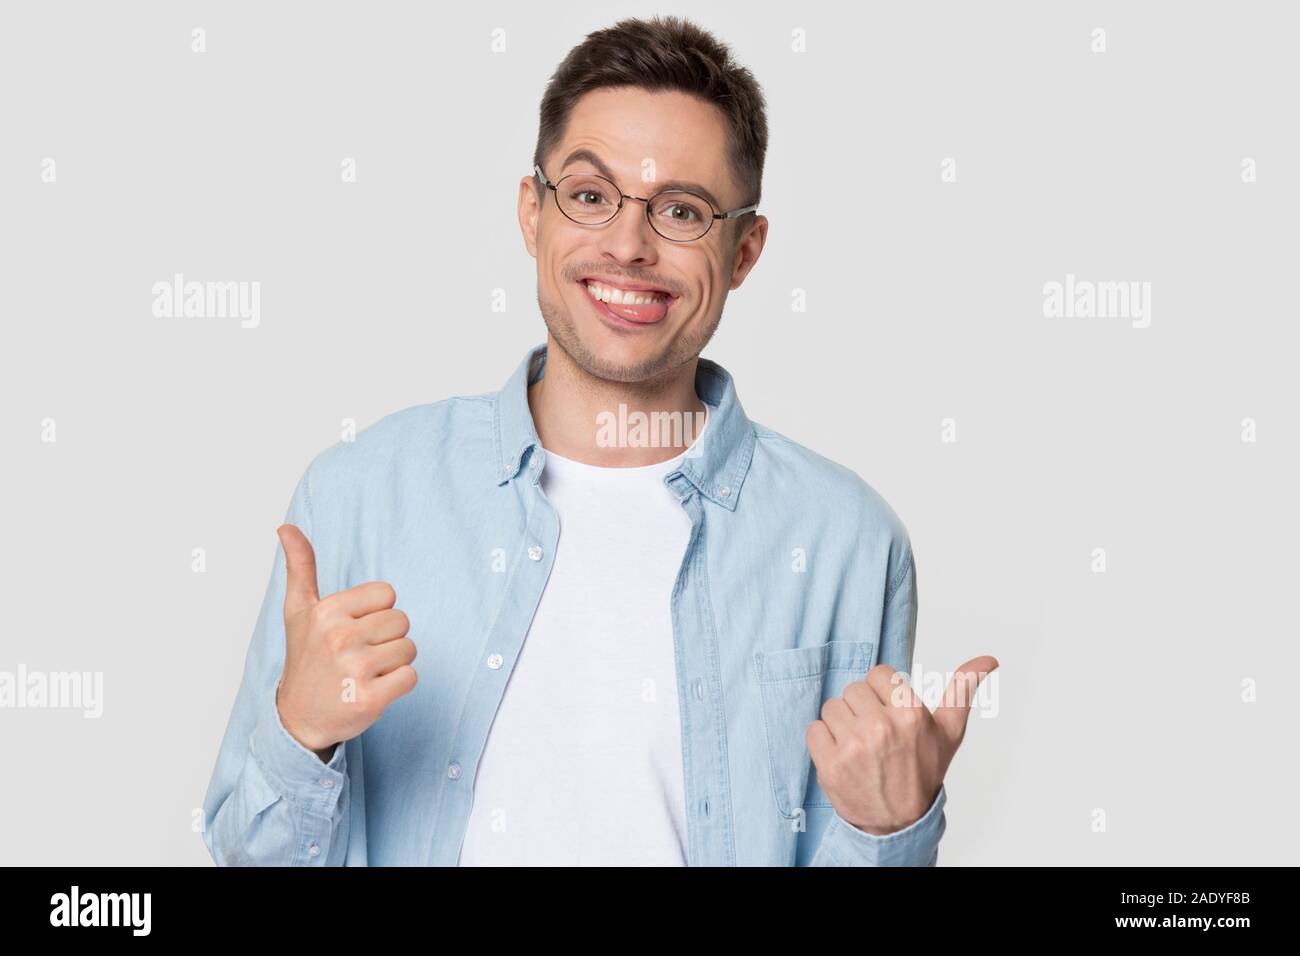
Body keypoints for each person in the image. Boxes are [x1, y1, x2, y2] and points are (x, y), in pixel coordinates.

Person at [201, 14, 997, 867]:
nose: (627, 245)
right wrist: (302, 735)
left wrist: (889, 832)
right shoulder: (358, 497)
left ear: (745, 251)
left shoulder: (848, 542)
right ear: (530, 212)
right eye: (590, 196)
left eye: (682, 211)